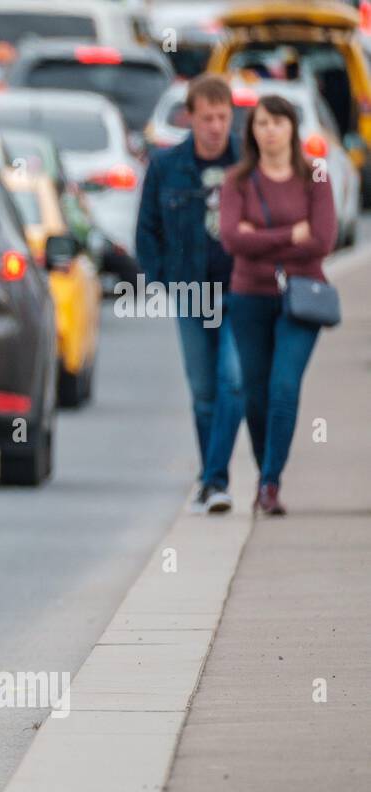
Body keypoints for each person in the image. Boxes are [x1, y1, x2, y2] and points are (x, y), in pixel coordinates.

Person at [219, 94, 336, 516]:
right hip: (249, 295)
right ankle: (263, 467)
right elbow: (233, 240)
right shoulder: (237, 180)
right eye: (262, 123)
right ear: (252, 131)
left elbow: (323, 240)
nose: (270, 130)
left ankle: (269, 483)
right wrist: (291, 236)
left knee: (284, 387)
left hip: (302, 299)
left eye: (278, 122)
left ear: (293, 128)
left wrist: (262, 239)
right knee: (255, 393)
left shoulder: (316, 176)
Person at [136, 74, 244, 514]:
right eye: (207, 118)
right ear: (191, 118)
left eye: (222, 117)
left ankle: (215, 481)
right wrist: (164, 281)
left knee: (234, 383)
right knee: (203, 392)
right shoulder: (167, 166)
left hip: (242, 292)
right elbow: (147, 231)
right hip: (192, 294)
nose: (215, 127)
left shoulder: (248, 162)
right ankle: (210, 477)